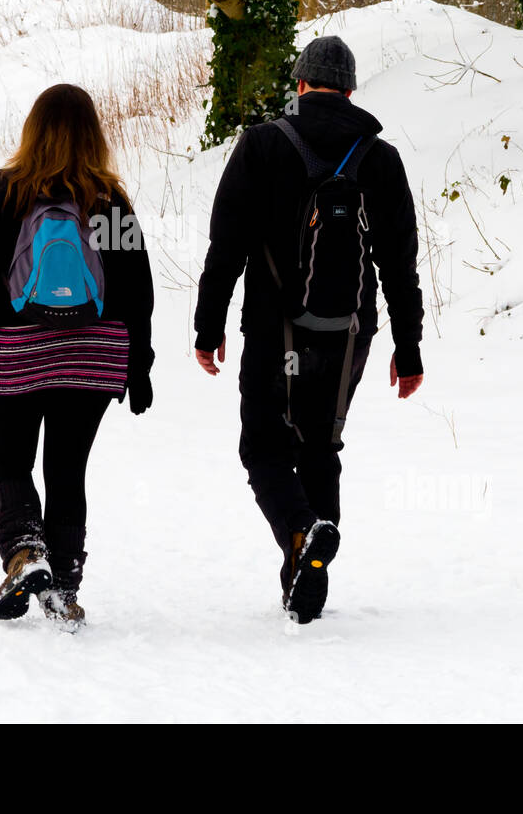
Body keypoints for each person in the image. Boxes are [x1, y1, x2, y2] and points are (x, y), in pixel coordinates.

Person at [193, 35, 425, 623]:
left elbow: (228, 244)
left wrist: (208, 322)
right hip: (348, 330)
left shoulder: (262, 145)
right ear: (349, 90)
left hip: (275, 329)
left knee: (262, 444)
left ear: (299, 84)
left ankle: (301, 533)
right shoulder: (381, 157)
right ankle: (308, 563)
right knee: (320, 444)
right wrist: (409, 345)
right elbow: (399, 262)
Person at [0, 83, 154, 631]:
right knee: (67, 471)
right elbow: (136, 290)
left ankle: (26, 553)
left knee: (11, 463)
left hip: (17, 350)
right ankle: (63, 592)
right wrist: (139, 366)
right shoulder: (108, 202)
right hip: (94, 353)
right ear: (93, 136)